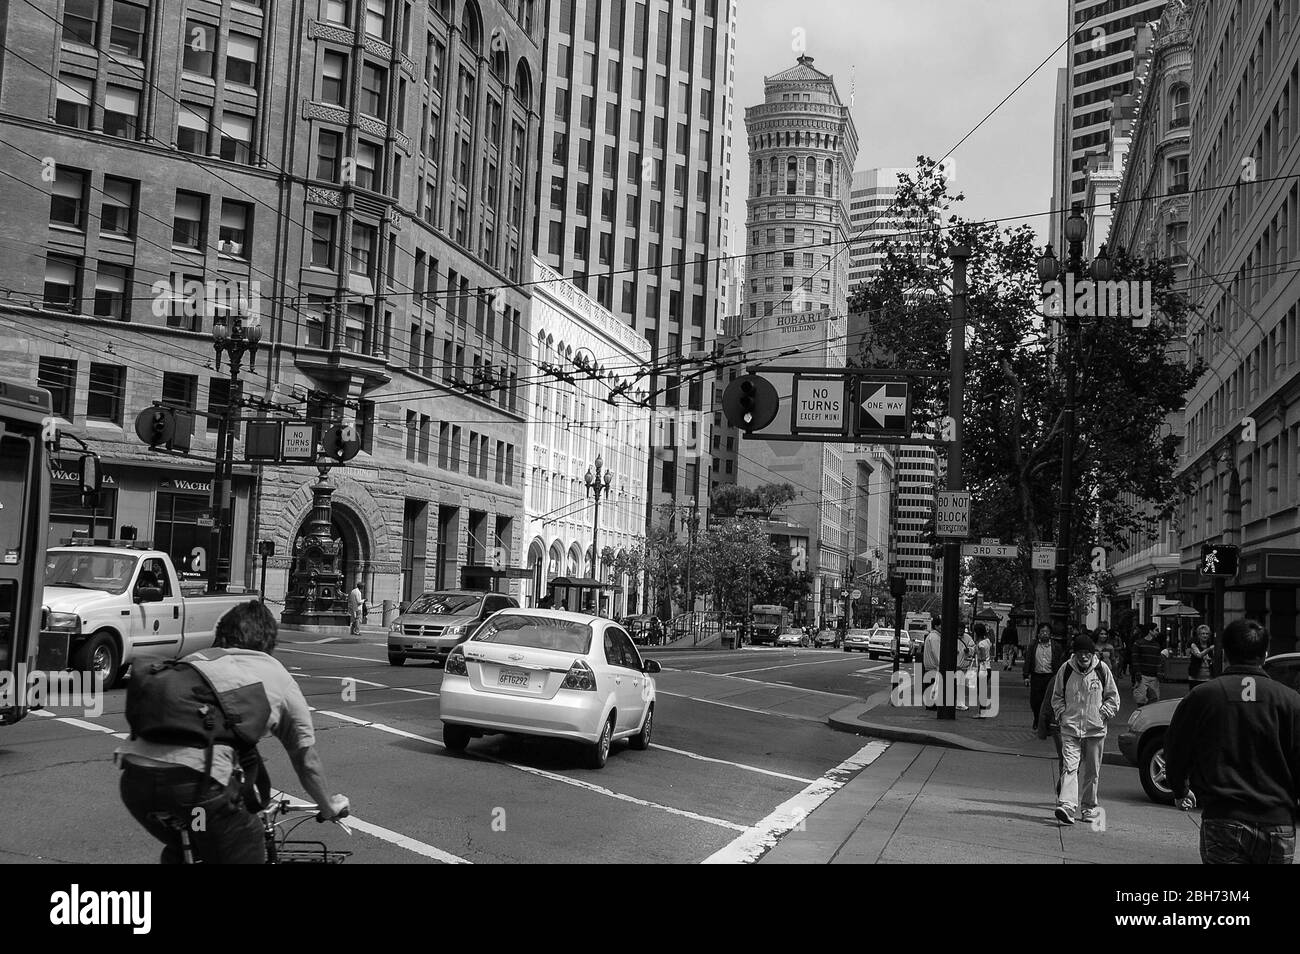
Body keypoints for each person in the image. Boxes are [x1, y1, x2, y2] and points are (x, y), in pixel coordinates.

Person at [118, 601, 349, 863]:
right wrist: (328, 806)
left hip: (136, 783)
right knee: (245, 848)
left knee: (194, 843)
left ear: (222, 634)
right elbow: (306, 759)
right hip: (196, 790)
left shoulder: (194, 661)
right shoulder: (275, 674)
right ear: (268, 642)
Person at [1165, 619, 1300, 864]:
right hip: (1277, 821)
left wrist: (1180, 788)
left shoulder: (1204, 696)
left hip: (1224, 817)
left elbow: (1177, 747)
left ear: (1224, 653)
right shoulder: (1290, 701)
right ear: (1265, 653)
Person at [1051, 633, 1120, 825]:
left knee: (1092, 772)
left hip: (1095, 729)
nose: (1083, 657)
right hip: (1070, 728)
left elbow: (1113, 698)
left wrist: (1103, 714)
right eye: (1080, 653)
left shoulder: (1102, 669)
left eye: (1087, 653)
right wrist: (1062, 714)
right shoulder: (1065, 670)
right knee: (1070, 768)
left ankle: (1089, 808)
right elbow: (1056, 697)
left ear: (1092, 653)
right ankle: (1067, 805)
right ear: (1075, 653)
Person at [1023, 624, 1064, 731]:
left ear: (1050, 633)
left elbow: (1059, 662)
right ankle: (1037, 719)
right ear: (1038, 633)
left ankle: (1046, 723)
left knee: (1050, 701)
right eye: (1042, 632)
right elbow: (1028, 660)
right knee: (1035, 701)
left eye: (1046, 632)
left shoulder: (1056, 647)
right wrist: (1026, 675)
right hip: (1036, 676)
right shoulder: (1033, 646)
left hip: (1050, 677)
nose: (1044, 634)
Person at [1129, 622, 1168, 705]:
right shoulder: (1138, 644)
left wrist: (1160, 672)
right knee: (1141, 699)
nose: (1158, 632)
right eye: (1156, 630)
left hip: (1154, 676)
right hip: (1143, 675)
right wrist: (1138, 672)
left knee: (1154, 699)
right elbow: (1135, 659)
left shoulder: (1156, 645)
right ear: (1150, 631)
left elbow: (1158, 660)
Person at [974, 623, 994, 717]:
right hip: (988, 667)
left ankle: (981, 712)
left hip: (982, 668)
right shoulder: (987, 641)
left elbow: (982, 657)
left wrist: (976, 652)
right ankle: (982, 711)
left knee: (981, 691)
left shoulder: (981, 644)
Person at [922, 617, 943, 710]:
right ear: (936, 626)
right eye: (941, 625)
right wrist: (942, 665)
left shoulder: (931, 636)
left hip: (929, 667)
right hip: (934, 668)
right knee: (933, 689)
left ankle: (930, 706)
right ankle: (932, 707)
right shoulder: (935, 638)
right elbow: (937, 653)